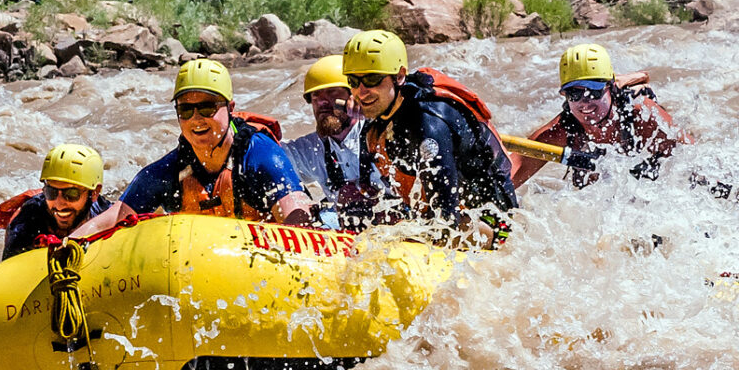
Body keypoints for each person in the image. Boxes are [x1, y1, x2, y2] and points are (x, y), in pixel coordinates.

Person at [73, 58, 313, 237]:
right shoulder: (170, 170)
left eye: (207, 107)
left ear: (230, 107)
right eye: (186, 110)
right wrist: (72, 242)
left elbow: (296, 213)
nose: (196, 119)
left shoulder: (260, 155)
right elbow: (116, 215)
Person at [341, 29, 516, 235]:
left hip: (494, 223)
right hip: (443, 212)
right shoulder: (379, 118)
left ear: (399, 76)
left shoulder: (430, 125)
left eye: (372, 79)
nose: (361, 91)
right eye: (353, 81)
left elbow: (445, 222)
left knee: (433, 230)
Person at [510, 42, 691, 189]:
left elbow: (693, 158)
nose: (584, 102)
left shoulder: (642, 115)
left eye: (593, 92)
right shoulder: (561, 131)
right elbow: (507, 177)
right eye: (575, 94)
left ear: (610, 88)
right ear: (565, 97)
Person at [282, 55, 371, 230]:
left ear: (353, 95)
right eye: (315, 96)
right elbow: (267, 154)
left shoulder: (380, 134)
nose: (322, 102)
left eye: (332, 92)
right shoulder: (311, 149)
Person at [0, 143, 112, 259]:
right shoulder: (26, 220)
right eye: (51, 192)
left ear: (94, 192)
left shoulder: (106, 214)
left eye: (71, 194)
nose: (59, 204)